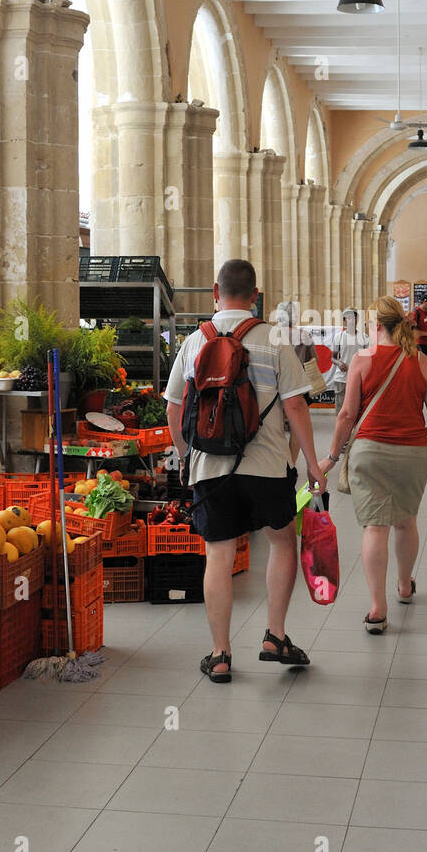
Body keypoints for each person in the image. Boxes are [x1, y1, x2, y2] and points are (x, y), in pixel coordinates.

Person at [165, 260, 326, 683]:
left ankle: (220, 655)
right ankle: (275, 635)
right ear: (256, 295)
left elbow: (173, 408)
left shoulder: (193, 341)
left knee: (218, 554)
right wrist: (312, 463)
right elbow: (295, 406)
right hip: (269, 465)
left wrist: (185, 457)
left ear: (215, 291)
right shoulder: (274, 338)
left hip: (209, 467)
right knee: (281, 542)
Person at [320, 296, 427, 633]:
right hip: (412, 453)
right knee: (406, 522)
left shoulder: (363, 360)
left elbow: (347, 414)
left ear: (376, 326)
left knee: (375, 528)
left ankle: (378, 608)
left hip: (369, 453)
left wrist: (332, 457)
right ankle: (405, 585)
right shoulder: (421, 362)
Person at [274, 300, 322, 479]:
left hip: (276, 386)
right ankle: (291, 464)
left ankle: (278, 462)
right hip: (298, 386)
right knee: (296, 428)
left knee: (276, 425)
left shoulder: (273, 335)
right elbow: (314, 360)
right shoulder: (304, 336)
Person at [330, 308, 370, 406]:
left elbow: (368, 358)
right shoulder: (338, 337)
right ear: (344, 320)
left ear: (357, 319)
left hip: (359, 378)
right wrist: (339, 363)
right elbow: (333, 357)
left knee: (357, 408)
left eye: (354, 317)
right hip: (342, 378)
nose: (351, 320)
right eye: (348, 318)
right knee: (341, 410)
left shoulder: (364, 337)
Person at [409, 296, 427, 367]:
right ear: (424, 302)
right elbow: (412, 331)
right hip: (420, 344)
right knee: (423, 366)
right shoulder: (415, 313)